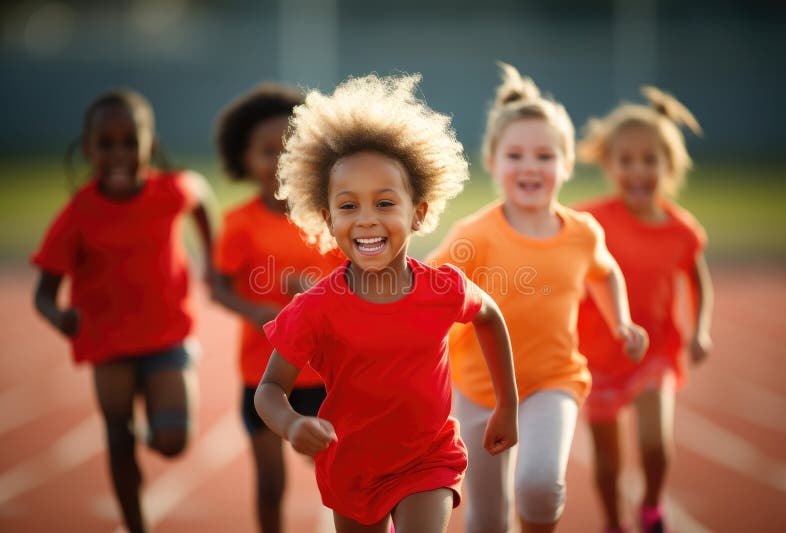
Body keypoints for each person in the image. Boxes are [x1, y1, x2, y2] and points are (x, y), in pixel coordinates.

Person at [253, 73, 519, 533]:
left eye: (385, 203)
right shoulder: (316, 307)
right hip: (352, 467)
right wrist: (292, 424)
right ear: (326, 216)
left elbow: (490, 318)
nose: (367, 220)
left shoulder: (444, 289)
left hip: (427, 460)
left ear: (418, 211)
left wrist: (507, 405)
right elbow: (269, 389)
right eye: (349, 206)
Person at [427, 63, 648, 533]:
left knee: (541, 487)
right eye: (516, 155)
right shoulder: (475, 235)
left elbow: (606, 274)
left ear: (566, 165)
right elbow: (429, 286)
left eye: (545, 156)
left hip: (554, 381)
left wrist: (621, 323)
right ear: (493, 161)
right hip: (479, 388)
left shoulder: (583, 233)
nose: (530, 166)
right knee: (486, 516)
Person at [32, 89, 215, 533]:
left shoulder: (169, 191)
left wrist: (213, 257)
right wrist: (61, 320)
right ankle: (137, 525)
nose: (119, 153)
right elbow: (43, 294)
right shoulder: (77, 215)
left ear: (150, 144)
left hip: (167, 336)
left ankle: (156, 417)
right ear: (88, 148)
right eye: (106, 143)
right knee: (118, 437)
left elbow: (202, 196)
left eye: (130, 142)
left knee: (173, 442)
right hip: (107, 342)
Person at [576, 86, 712, 533]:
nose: (638, 170)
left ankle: (652, 507)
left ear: (669, 166)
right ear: (609, 164)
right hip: (597, 354)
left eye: (650, 160)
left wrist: (700, 331)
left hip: (656, 350)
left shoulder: (682, 231)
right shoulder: (589, 222)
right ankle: (613, 522)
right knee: (609, 460)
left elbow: (697, 280)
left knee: (656, 444)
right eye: (627, 160)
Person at [212, 82, 339, 532]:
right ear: (243, 159)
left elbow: (350, 279)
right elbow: (218, 288)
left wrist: (312, 288)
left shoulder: (327, 217)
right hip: (261, 373)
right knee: (269, 482)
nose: (280, 160)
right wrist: (255, 311)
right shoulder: (239, 224)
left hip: (322, 373)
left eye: (290, 147)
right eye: (267, 151)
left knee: (338, 471)